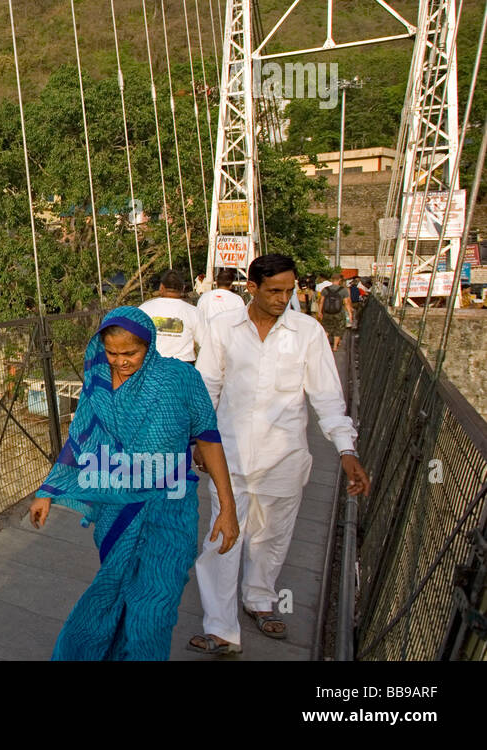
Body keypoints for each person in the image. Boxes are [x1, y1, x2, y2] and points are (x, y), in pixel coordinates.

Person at [29, 306, 238, 660]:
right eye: (112, 353)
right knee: (114, 591)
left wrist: (228, 507)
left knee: (154, 609)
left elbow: (208, 437)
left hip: (171, 509)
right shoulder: (97, 386)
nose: (121, 361)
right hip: (118, 508)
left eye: (131, 353)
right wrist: (47, 492)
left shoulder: (180, 379)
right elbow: (79, 440)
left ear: (149, 345)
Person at [189, 253, 370, 654]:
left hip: (285, 456)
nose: (283, 298)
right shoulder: (224, 330)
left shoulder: (306, 332)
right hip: (230, 457)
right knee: (223, 537)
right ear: (251, 288)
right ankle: (220, 628)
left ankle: (259, 598)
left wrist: (345, 449)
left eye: (288, 291)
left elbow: (326, 396)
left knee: (271, 538)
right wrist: (199, 441)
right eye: (274, 291)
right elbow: (205, 390)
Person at [139, 269, 202, 363]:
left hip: (152, 365)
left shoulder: (144, 309)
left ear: (161, 287)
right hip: (183, 367)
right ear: (183, 288)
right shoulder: (194, 312)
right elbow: (204, 342)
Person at [318, 271, 352, 352]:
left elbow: (321, 302)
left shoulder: (325, 290)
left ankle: (323, 345)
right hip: (339, 312)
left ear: (331, 280)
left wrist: (320, 312)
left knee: (326, 328)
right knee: (338, 329)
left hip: (327, 312)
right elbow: (347, 303)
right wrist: (350, 314)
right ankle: (335, 347)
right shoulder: (343, 290)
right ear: (339, 280)